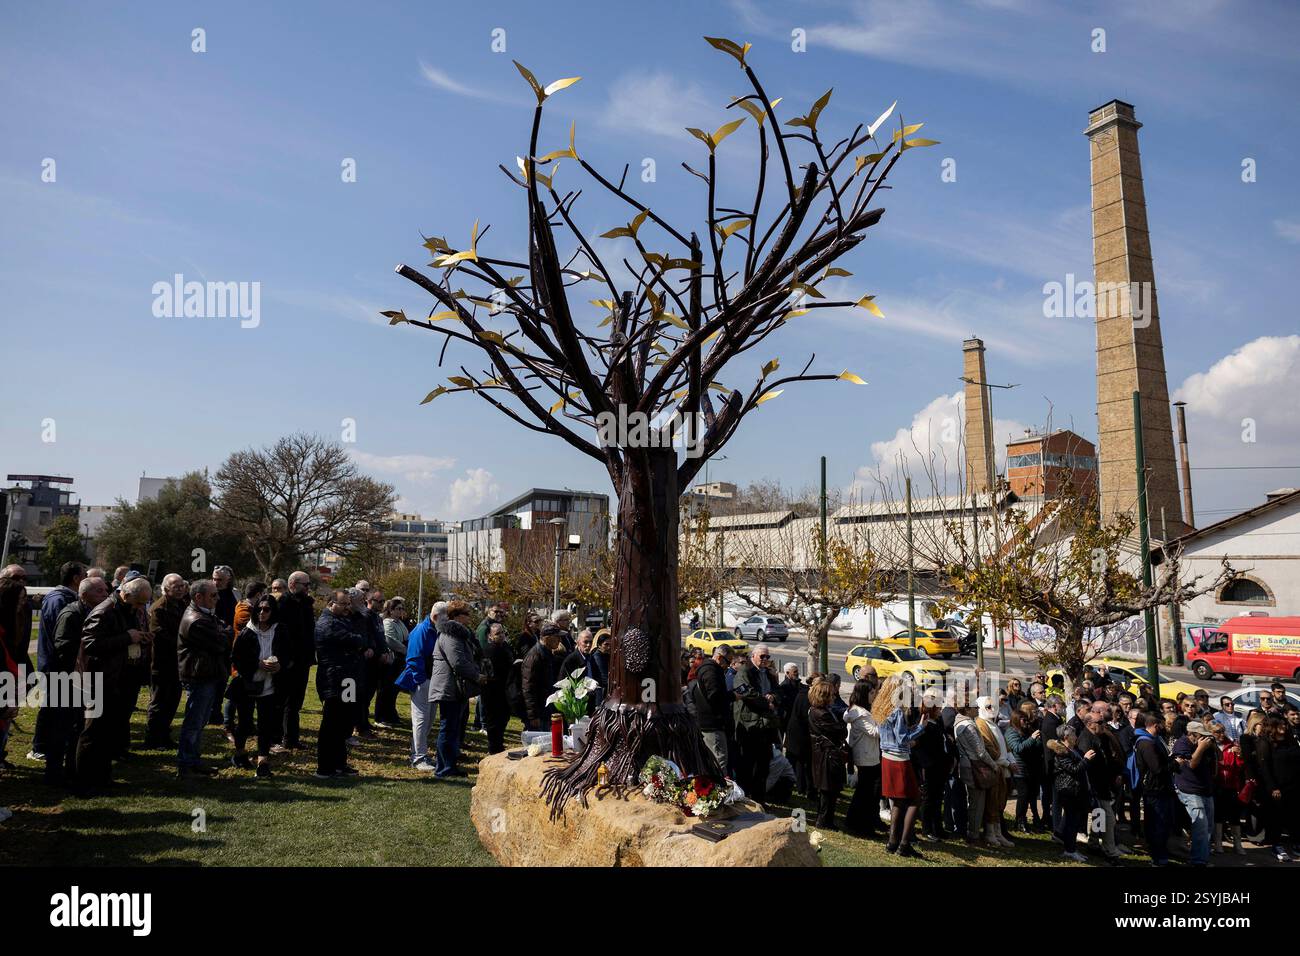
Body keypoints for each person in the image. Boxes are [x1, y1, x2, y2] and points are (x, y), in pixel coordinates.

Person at [73, 576, 153, 791]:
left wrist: (139, 638)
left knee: (108, 732)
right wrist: (127, 638)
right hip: (97, 679)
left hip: (116, 678)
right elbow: (90, 644)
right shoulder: (104, 611)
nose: (140, 608)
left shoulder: (127, 610)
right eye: (138, 603)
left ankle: (103, 777)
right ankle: (85, 781)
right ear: (125, 595)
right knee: (93, 733)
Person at [44, 576, 108, 787]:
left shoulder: (96, 613)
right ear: (84, 594)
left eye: (105, 590)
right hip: (67, 678)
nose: (105, 594)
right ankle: (53, 773)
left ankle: (72, 768)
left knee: (78, 726)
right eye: (99, 591)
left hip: (84, 678)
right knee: (61, 727)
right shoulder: (72, 613)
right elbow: (63, 646)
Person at [176, 580, 233, 779]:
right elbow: (221, 643)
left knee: (199, 722)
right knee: (194, 722)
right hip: (199, 675)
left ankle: (193, 761)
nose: (217, 599)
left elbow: (222, 631)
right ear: (198, 597)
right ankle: (186, 765)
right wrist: (226, 633)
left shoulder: (204, 614)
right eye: (213, 595)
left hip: (207, 673)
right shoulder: (196, 620)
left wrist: (224, 632)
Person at [228, 593, 289, 776]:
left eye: (266, 609)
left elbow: (288, 654)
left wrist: (279, 665)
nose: (262, 612)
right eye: (259, 609)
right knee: (245, 723)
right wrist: (257, 664)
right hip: (248, 684)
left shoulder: (280, 630)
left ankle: (263, 760)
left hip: (270, 684)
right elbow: (236, 658)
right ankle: (240, 753)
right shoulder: (248, 631)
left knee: (266, 724)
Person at [30, 561, 86, 761]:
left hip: (57, 662)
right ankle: (40, 746)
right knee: (51, 707)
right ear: (76, 578)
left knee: (55, 706)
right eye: (84, 575)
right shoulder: (59, 600)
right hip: (54, 662)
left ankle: (45, 745)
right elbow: (59, 634)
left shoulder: (64, 598)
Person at [875, 675, 930, 857]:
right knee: (915, 799)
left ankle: (892, 841)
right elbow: (903, 738)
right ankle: (904, 843)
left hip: (887, 757)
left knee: (898, 800)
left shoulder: (880, 707)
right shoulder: (897, 711)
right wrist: (921, 727)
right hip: (899, 758)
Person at [313, 590, 367, 778]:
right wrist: (357, 641)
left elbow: (360, 637)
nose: (347, 608)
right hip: (335, 679)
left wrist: (358, 640)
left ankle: (339, 763)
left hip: (348, 679)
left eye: (348, 604)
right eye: (343, 604)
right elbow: (356, 639)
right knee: (332, 723)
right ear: (331, 604)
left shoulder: (343, 621)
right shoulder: (327, 623)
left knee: (345, 723)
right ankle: (325, 767)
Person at [429, 600, 481, 778]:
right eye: (466, 614)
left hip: (453, 688)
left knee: (452, 728)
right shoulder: (451, 635)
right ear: (457, 617)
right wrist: (477, 675)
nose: (469, 617)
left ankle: (448, 765)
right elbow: (458, 663)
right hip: (448, 688)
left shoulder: (457, 634)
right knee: (448, 728)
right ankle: (444, 768)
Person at [396, 601, 447, 770]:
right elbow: (413, 658)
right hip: (423, 681)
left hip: (431, 680)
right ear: (435, 617)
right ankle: (419, 757)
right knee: (421, 719)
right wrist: (421, 681)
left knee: (429, 719)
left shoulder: (434, 629)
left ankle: (419, 753)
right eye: (444, 619)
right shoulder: (422, 631)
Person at [733, 644, 781, 806]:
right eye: (762, 656)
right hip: (749, 725)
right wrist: (766, 703)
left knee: (763, 765)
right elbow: (746, 693)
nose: (765, 660)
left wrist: (773, 698)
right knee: (747, 765)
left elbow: (778, 692)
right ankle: (745, 800)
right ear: (753, 656)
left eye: (768, 657)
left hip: (766, 726)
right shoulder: (745, 671)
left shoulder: (768, 674)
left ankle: (759, 799)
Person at [144, 573, 188, 748]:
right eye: (175, 586)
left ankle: (164, 735)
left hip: (177, 663)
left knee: (173, 699)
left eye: (181, 586)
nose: (179, 589)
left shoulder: (182, 604)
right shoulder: (159, 608)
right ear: (166, 589)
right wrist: (184, 642)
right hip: (161, 663)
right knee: (159, 701)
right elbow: (159, 635)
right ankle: (153, 737)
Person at [276, 571, 316, 750]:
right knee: (285, 701)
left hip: (303, 660)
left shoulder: (306, 604)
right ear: (293, 584)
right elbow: (282, 635)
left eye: (309, 585)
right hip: (289, 660)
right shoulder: (283, 604)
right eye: (304, 585)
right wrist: (287, 659)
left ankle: (291, 737)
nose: (308, 588)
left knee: (296, 701)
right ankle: (281, 737)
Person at [1172, 720, 1219, 866]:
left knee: (1208, 827)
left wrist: (1213, 746)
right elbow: (1191, 764)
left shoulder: (1206, 745)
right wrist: (1201, 748)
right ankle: (1198, 861)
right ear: (1192, 734)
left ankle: (1201, 856)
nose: (1204, 738)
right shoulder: (1182, 744)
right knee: (1200, 826)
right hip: (1190, 790)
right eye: (1201, 735)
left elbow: (1221, 757)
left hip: (1206, 790)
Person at [1133, 712, 1175, 866]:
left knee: (1162, 824)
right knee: (1158, 825)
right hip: (1155, 790)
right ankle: (1158, 858)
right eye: (1162, 725)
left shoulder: (1153, 740)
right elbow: (1157, 768)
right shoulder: (1146, 743)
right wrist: (1175, 764)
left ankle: (1160, 856)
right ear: (1156, 725)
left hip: (1161, 788)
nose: (1164, 728)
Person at [1258, 713, 1300, 862]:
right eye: (1281, 724)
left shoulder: (1290, 740)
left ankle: (1296, 843)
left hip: (1294, 785)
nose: (1284, 726)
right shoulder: (1265, 742)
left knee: (1295, 816)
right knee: (1276, 817)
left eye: (1285, 724)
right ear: (1272, 726)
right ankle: (1276, 845)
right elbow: (1264, 767)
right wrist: (1273, 787)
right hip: (1277, 787)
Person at [808, 679, 849, 830]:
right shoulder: (821, 713)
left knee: (829, 790)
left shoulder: (818, 710)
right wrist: (842, 726)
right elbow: (840, 731)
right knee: (828, 790)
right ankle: (824, 820)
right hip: (827, 754)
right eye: (830, 695)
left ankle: (825, 819)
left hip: (825, 753)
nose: (833, 697)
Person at [1048, 725, 1092, 862]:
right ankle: (1069, 850)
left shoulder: (1072, 750)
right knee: (1071, 823)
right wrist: (1086, 760)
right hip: (1069, 791)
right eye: (1073, 735)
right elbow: (1073, 769)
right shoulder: (1061, 753)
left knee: (1073, 821)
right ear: (1066, 737)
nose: (1076, 737)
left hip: (1077, 791)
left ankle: (1072, 848)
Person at [912, 688, 950, 841]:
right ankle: (927, 829)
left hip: (940, 766)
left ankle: (938, 828)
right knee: (928, 799)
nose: (941, 708)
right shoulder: (924, 723)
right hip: (929, 767)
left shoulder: (938, 721)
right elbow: (919, 747)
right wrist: (926, 766)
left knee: (937, 798)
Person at [844, 680, 882, 836]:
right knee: (865, 793)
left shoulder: (863, 711)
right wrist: (884, 718)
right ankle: (860, 824)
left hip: (869, 755)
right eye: (872, 693)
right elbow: (874, 732)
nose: (874, 696)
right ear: (864, 694)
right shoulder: (860, 714)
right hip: (866, 757)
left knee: (863, 792)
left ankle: (855, 820)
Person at [692, 644, 734, 772]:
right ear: (720, 657)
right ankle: (720, 790)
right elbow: (714, 697)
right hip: (712, 724)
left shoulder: (708, 669)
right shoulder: (711, 671)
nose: (728, 665)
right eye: (728, 661)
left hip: (710, 722)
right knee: (719, 761)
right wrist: (732, 696)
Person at [1005, 704, 1044, 832]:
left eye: (1027, 720)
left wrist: (1037, 740)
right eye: (1023, 720)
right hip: (1019, 769)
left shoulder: (1026, 730)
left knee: (1029, 796)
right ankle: (1019, 821)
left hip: (1030, 769)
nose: (1026, 722)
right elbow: (1018, 748)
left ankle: (1024, 821)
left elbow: (1034, 747)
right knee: (1023, 795)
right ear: (1017, 720)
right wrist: (1032, 739)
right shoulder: (1011, 731)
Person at [1210, 721, 1245, 855]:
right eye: (1218, 732)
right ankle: (1218, 844)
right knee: (1218, 816)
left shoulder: (1231, 745)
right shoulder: (1210, 746)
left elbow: (1240, 766)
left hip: (1231, 785)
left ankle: (1238, 844)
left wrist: (1239, 755)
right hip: (1216, 786)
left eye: (1223, 731)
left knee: (1234, 816)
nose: (1221, 734)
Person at [522, 624, 565, 731]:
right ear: (547, 638)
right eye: (557, 637)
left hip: (546, 708)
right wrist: (533, 716)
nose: (560, 640)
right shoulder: (535, 657)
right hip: (539, 712)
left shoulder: (547, 653)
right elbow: (528, 688)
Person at [479, 620, 513, 755]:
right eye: (497, 633)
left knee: (503, 720)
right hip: (492, 691)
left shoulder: (505, 647)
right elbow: (488, 671)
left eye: (502, 633)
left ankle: (498, 745)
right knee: (494, 722)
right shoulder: (488, 650)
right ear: (490, 636)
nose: (501, 636)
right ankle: (494, 748)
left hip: (504, 689)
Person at [374, 598, 408, 727]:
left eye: (402, 608)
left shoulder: (400, 623)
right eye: (398, 609)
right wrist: (405, 650)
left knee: (393, 690)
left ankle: (391, 715)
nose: (401, 611)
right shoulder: (388, 623)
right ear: (391, 610)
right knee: (385, 689)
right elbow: (390, 640)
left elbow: (406, 636)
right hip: (391, 659)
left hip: (400, 659)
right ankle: (381, 716)